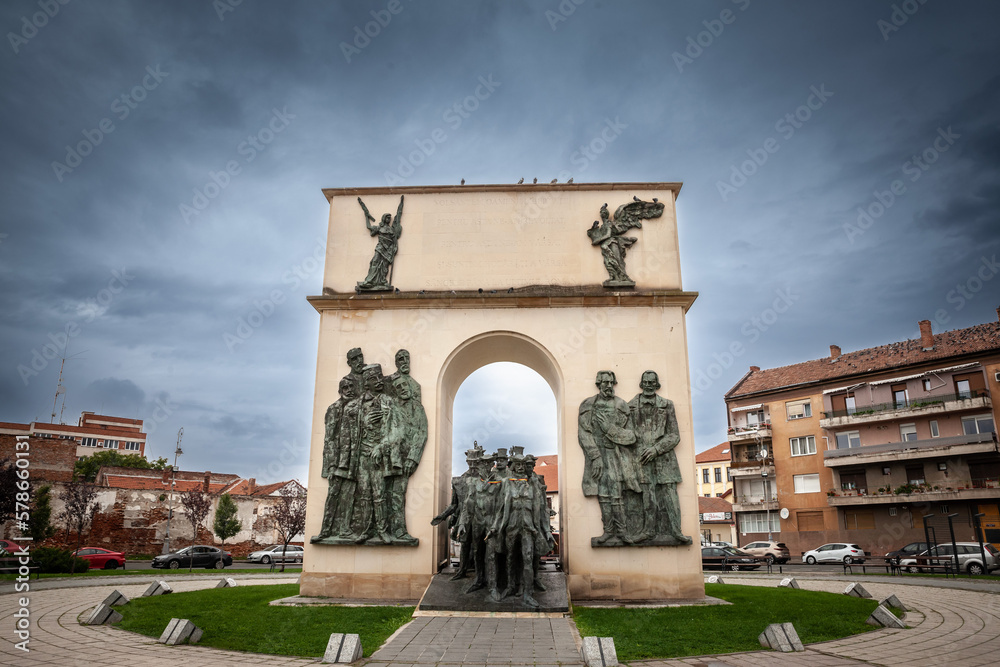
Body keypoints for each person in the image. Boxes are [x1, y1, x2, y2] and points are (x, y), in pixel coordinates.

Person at [628, 371, 691, 545]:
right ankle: (648, 531)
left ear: (657, 385)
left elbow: (674, 435)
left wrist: (656, 449)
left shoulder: (667, 405)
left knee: (670, 494)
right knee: (647, 496)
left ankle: (676, 531)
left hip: (665, 458)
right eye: (646, 382)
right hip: (642, 458)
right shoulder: (630, 407)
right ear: (641, 384)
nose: (649, 385)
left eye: (652, 382)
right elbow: (627, 435)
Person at [578, 370, 640, 546]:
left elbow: (631, 436)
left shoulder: (621, 405)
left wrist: (609, 429)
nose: (608, 386)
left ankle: (622, 532)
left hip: (616, 456)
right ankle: (608, 531)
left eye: (611, 382)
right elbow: (584, 434)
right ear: (598, 384)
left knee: (617, 493)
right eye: (605, 382)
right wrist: (595, 456)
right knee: (603, 493)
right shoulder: (588, 404)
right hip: (598, 455)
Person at [312, 377, 358, 541]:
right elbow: (329, 438)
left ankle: (345, 529)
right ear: (340, 390)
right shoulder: (334, 409)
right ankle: (325, 530)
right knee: (333, 496)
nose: (349, 390)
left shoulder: (358, 407)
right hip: (338, 462)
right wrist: (331, 465)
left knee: (349, 496)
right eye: (346, 387)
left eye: (351, 387)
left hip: (353, 462)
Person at [357, 195, 404, 290]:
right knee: (375, 261)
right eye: (387, 218)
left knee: (384, 266)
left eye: (390, 218)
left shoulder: (391, 229)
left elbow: (394, 240)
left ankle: (382, 281)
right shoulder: (380, 227)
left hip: (388, 250)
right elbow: (369, 227)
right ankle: (369, 281)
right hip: (380, 247)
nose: (389, 219)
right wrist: (366, 216)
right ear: (384, 218)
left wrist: (395, 247)